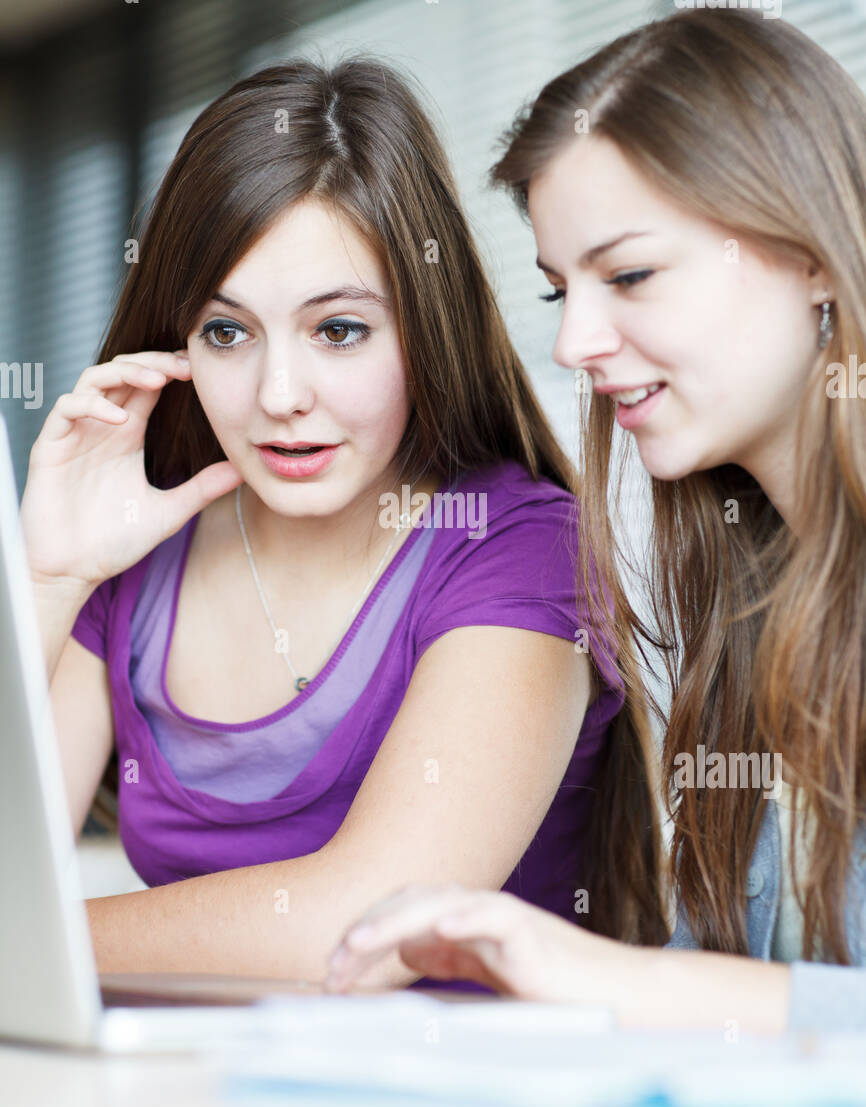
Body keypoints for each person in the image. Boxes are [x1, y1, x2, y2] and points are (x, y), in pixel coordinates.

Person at [20, 56, 668, 992]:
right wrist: (50, 580)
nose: (281, 397)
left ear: (424, 326)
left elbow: (368, 925)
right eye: (228, 331)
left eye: (339, 331)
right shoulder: (135, 555)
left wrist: (38, 941)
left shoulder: (518, 550)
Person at [324, 7, 866, 1032]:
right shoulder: (756, 596)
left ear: (813, 259)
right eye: (556, 292)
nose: (573, 341)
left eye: (627, 276)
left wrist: (605, 973)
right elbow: (740, 986)